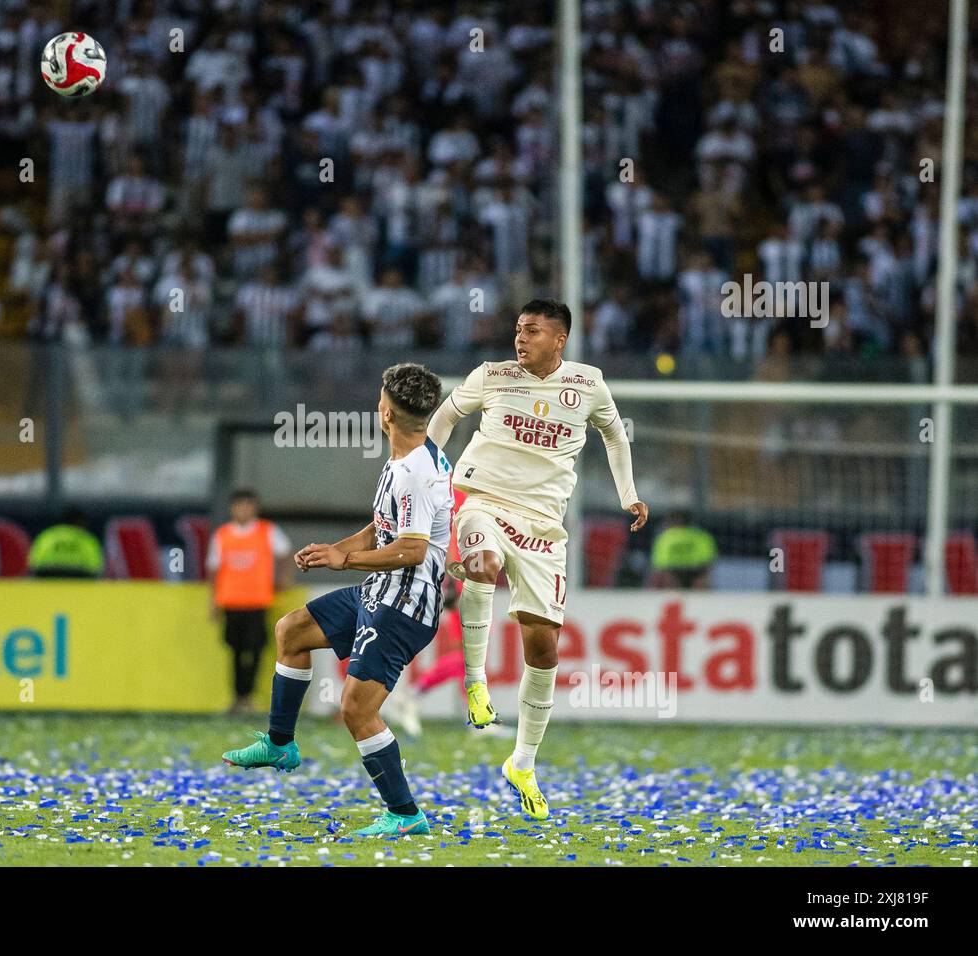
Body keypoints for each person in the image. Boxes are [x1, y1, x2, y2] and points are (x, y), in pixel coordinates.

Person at [427, 299, 650, 819]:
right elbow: (445, 415)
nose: (520, 338)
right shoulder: (492, 375)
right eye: (517, 329)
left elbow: (615, 436)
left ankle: (522, 762)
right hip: (481, 499)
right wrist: (431, 474)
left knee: (543, 647)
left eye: (532, 331)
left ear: (560, 339)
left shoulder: (589, 384)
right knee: (480, 565)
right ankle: (476, 683)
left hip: (544, 527)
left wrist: (628, 495)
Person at [222, 363, 453, 837]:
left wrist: (342, 562)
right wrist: (340, 549)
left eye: (379, 398)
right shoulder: (411, 453)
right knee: (291, 631)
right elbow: (382, 528)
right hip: (382, 591)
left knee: (356, 710)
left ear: (386, 412)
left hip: (404, 606)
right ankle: (280, 743)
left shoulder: (415, 472)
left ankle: (405, 815)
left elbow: (411, 549)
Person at [206, 490, 292, 714]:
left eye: (248, 505)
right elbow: (213, 569)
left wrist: (283, 578)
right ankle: (238, 696)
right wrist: (213, 601)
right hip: (231, 601)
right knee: (235, 650)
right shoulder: (222, 535)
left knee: (255, 649)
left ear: (254, 508)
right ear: (233, 508)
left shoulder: (267, 531)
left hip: (257, 601)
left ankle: (248, 696)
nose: (244, 509)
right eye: (240, 505)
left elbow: (285, 552)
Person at [27, 508, 104, 578]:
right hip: (80, 581)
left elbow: (33, 564)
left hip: (47, 580)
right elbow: (96, 568)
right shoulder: (86, 538)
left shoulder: (47, 536)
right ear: (80, 522)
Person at [648, 513, 718, 589]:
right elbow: (709, 563)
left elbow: (659, 566)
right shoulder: (702, 536)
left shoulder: (665, 537)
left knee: (663, 578)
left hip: (686, 571)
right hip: (692, 572)